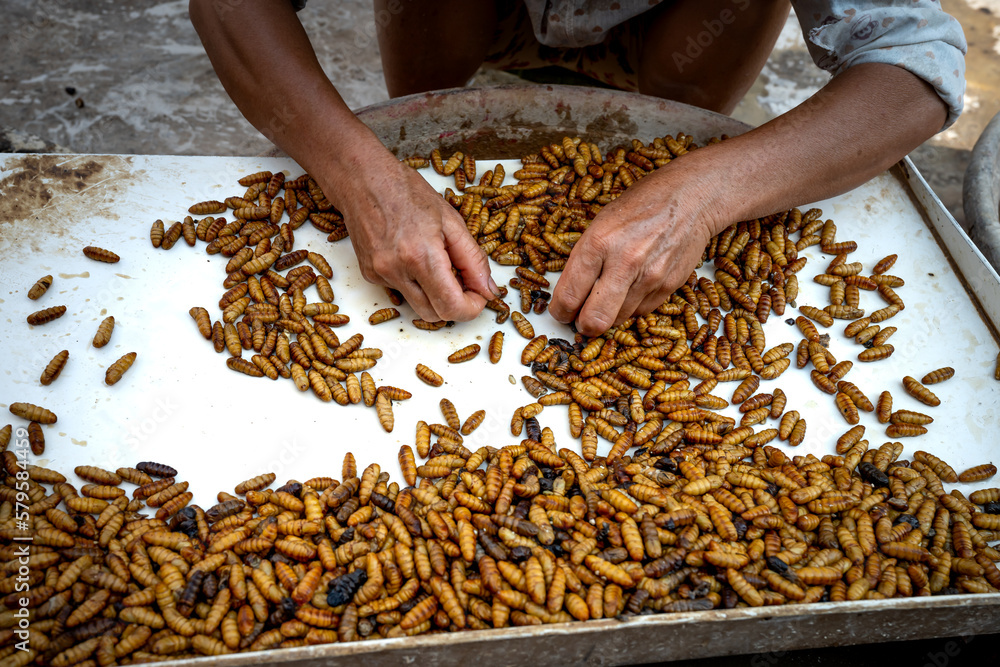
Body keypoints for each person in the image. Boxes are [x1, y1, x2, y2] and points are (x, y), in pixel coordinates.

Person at [190, 0, 966, 336]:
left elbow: (916, 64)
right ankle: (430, 117)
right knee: (428, 104)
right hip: (472, 20)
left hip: (682, 35)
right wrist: (365, 178)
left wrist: (702, 193)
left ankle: (674, 129)